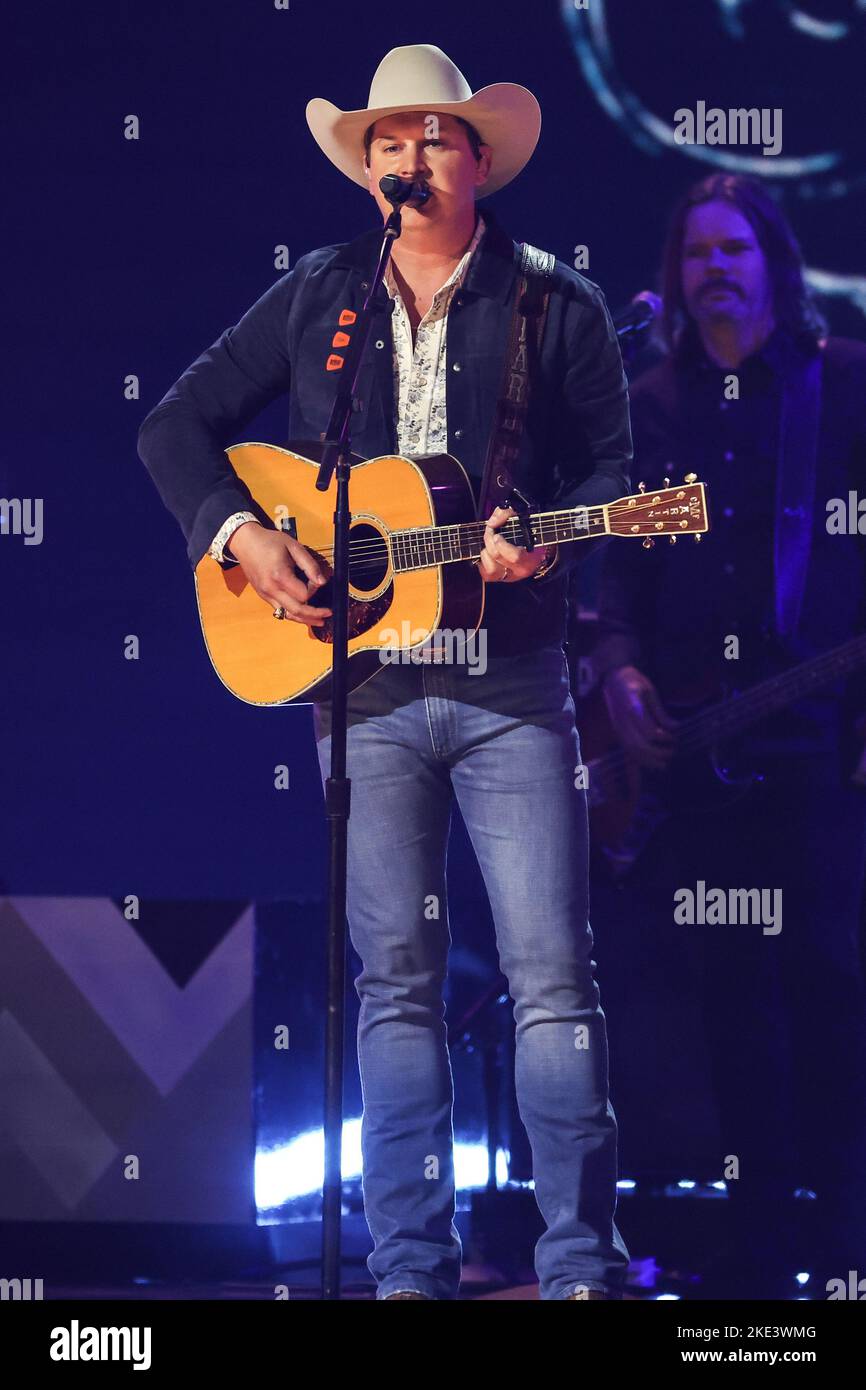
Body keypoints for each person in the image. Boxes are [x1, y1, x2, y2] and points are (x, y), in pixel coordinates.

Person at [138, 43, 633, 1301]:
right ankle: (408, 1273)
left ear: (475, 161)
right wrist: (240, 532)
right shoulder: (320, 298)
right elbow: (173, 425)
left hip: (509, 682)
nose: (405, 160)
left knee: (549, 978)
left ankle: (579, 1266)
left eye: (430, 139)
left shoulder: (551, 301)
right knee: (393, 988)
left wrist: (544, 539)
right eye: (384, 143)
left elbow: (616, 483)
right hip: (356, 689)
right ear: (368, 171)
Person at [594, 172, 866, 1294]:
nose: (714, 266)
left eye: (735, 249)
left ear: (771, 266)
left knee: (830, 991)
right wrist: (614, 673)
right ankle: (760, 1259)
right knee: (728, 1010)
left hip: (817, 747)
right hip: (698, 760)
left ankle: (847, 1250)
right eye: (696, 250)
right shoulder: (650, 408)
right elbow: (614, 569)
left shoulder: (837, 386)